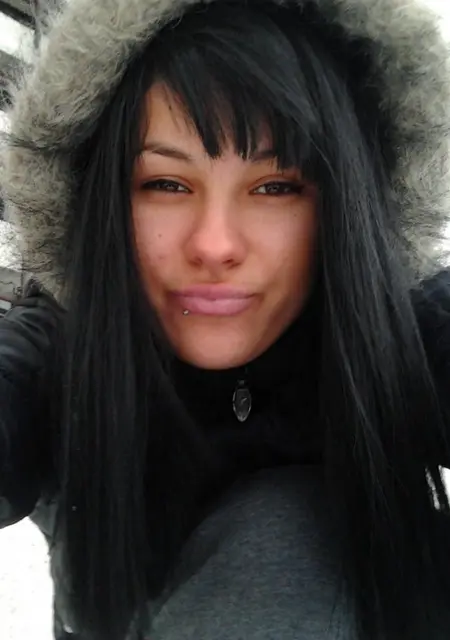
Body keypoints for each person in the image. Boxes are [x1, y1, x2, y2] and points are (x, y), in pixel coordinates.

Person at [1, 0, 450, 638]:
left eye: (276, 187)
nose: (214, 245)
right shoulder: (65, 345)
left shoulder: (395, 331)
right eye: (166, 184)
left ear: (347, 202)